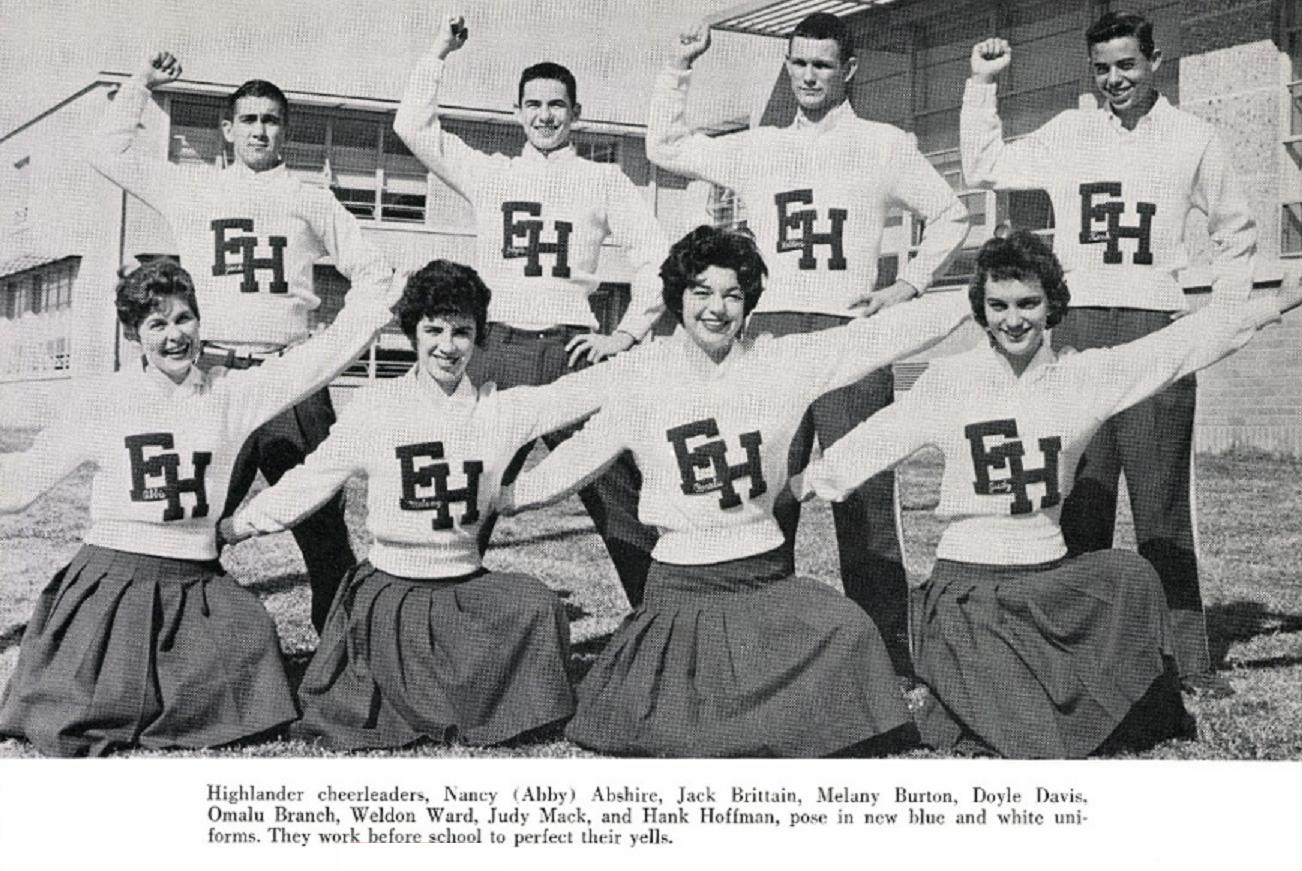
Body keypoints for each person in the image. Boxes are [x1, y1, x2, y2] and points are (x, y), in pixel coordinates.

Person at [791, 232, 1296, 758]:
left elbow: (1176, 347)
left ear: (1052, 304)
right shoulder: (950, 380)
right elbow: (879, 437)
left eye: (1028, 303)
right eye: (998, 305)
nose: (1013, 320)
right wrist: (807, 482)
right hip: (971, 594)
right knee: (1032, 729)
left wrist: (1276, 301)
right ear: (981, 311)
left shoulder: (1084, 378)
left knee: (1130, 577)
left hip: (1047, 582)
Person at [499, 226, 972, 757]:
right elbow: (572, 438)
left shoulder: (780, 362)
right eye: (702, 292)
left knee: (850, 633)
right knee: (669, 723)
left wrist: (970, 300)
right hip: (683, 593)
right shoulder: (639, 374)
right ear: (678, 297)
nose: (717, 309)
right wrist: (510, 497)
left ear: (749, 304)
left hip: (764, 581)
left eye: (732, 295)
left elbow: (876, 338)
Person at [647, 13, 969, 677]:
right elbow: (666, 145)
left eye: (821, 64)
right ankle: (759, 643)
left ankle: (887, 653)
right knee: (764, 493)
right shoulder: (760, 147)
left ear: (848, 68)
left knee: (865, 497)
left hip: (851, 335)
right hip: (771, 337)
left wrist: (905, 287)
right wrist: (679, 68)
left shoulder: (884, 144)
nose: (808, 76)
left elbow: (951, 215)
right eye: (798, 63)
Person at [961, 12, 1258, 693]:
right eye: (1102, 68)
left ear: (1155, 61)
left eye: (1127, 64)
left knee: (1161, 502)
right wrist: (982, 86)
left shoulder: (1193, 137)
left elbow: (1238, 231)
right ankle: (1074, 644)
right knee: (1078, 497)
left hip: (1157, 327)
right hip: (1081, 331)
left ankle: (1185, 655)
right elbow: (984, 165)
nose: (1115, 78)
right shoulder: (1071, 131)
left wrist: (1221, 317)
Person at [0, 258, 396, 756]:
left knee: (252, 653)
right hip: (114, 584)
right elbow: (21, 481)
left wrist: (371, 304)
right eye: (157, 324)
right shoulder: (102, 400)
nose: (174, 336)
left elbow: (313, 363)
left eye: (184, 319)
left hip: (194, 581)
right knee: (92, 707)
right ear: (133, 334)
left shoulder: (228, 394)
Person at [220, 260, 623, 749]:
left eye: (461, 331)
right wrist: (240, 525)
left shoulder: (501, 409)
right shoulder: (376, 407)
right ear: (412, 333)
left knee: (535, 605)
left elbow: (578, 392)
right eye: (433, 329)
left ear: (478, 338)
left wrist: (654, 356)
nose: (447, 346)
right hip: (394, 593)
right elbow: (312, 478)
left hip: (464, 584)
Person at [86, 51, 393, 633]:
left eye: (271, 120)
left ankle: (338, 669)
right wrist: (140, 85)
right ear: (227, 129)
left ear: (285, 130)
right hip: (215, 378)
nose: (259, 130)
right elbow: (106, 153)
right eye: (248, 119)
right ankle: (179, 652)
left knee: (323, 527)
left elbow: (377, 274)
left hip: (291, 379)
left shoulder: (310, 198)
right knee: (195, 525)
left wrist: (332, 345)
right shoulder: (192, 188)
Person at [393, 15, 667, 607]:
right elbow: (412, 123)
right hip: (501, 350)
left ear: (576, 114)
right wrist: (439, 51)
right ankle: (433, 607)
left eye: (557, 106)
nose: (545, 115)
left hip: (573, 350)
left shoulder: (603, 180)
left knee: (616, 489)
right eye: (534, 105)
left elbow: (659, 258)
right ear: (517, 112)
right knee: (470, 484)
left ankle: (661, 620)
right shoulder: (492, 173)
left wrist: (625, 333)